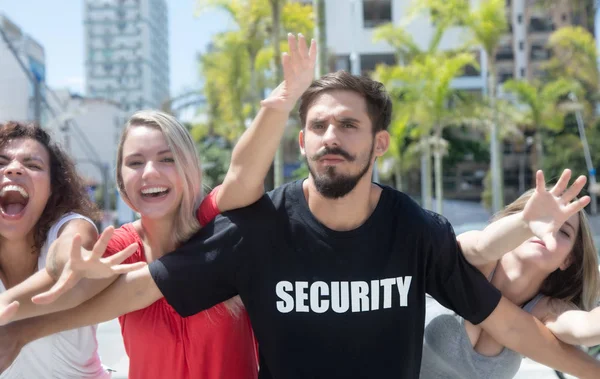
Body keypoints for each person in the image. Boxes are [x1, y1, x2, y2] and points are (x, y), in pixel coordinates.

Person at [4, 71, 600, 379]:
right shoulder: (259, 229)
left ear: (380, 142)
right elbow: (138, 288)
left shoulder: (415, 231)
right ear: (302, 139)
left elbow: (511, 325)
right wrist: (24, 329)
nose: (330, 139)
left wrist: (590, 369)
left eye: (347, 125)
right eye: (318, 126)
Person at [0, 33, 316, 379]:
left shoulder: (218, 222)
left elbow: (243, 173)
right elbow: (73, 275)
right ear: (121, 185)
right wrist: (61, 269)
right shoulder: (121, 248)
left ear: (189, 170)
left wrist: (280, 105)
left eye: (166, 159)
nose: (150, 172)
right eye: (135, 162)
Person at [420, 169, 600, 379]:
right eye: (543, 218)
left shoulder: (544, 309)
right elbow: (483, 246)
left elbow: (586, 329)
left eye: (563, 231)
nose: (547, 230)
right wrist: (526, 223)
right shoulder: (477, 255)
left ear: (567, 260)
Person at [0, 121, 112, 378]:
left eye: (33, 165)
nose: (14, 169)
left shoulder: (68, 227)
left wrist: (68, 262)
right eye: (1, 162)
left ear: (52, 190)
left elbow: (70, 248)